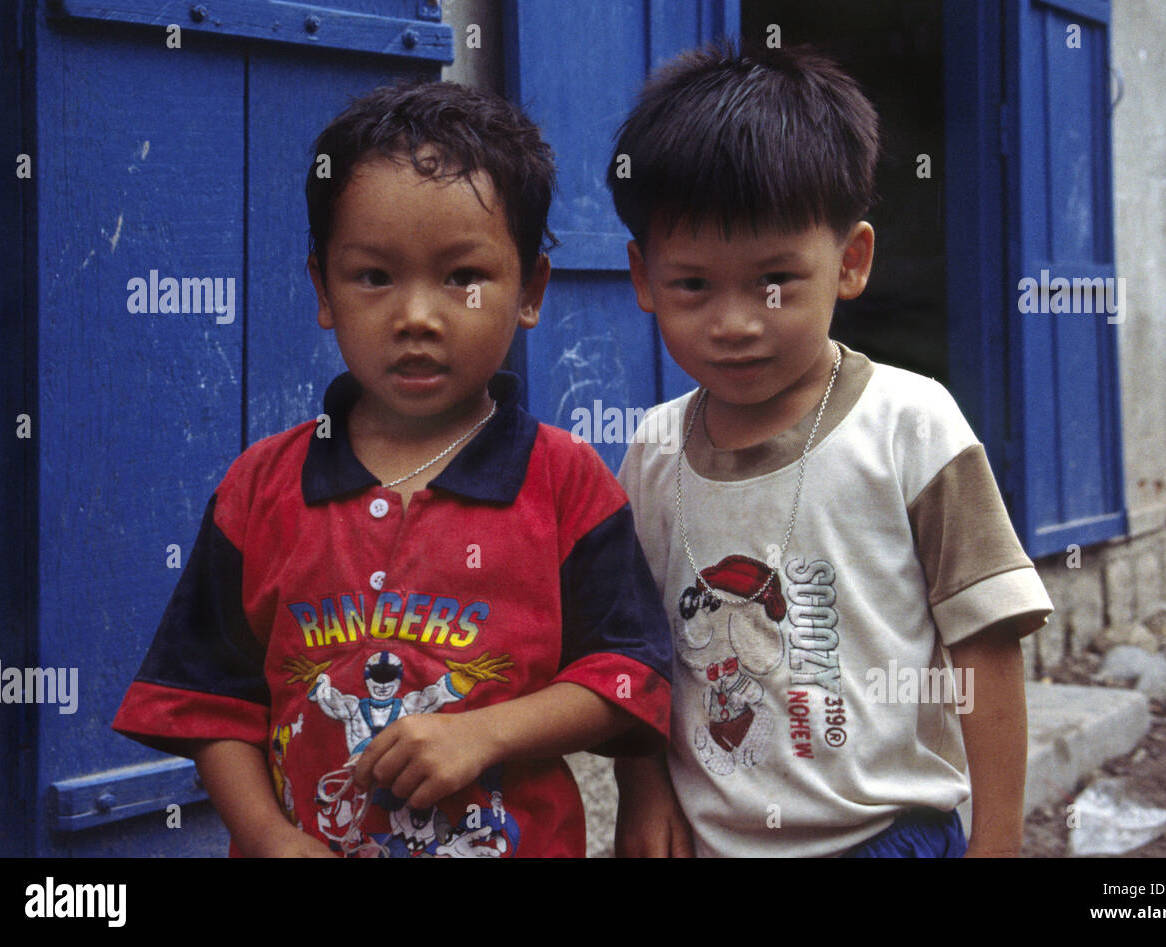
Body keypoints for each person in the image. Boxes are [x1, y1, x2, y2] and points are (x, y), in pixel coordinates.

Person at [112, 80, 671, 858]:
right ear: (324, 291)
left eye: (463, 278)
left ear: (531, 291)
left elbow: (629, 677)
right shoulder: (260, 489)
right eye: (374, 276)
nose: (416, 315)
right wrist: (266, 835)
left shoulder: (566, 483)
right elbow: (210, 701)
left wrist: (485, 732)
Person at [608, 42, 1053, 857]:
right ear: (642, 277)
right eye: (693, 285)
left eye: (775, 281)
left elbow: (984, 648)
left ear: (850, 262)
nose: (736, 321)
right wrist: (643, 789)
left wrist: (998, 842)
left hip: (886, 836)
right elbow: (635, 654)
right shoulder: (655, 450)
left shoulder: (911, 425)